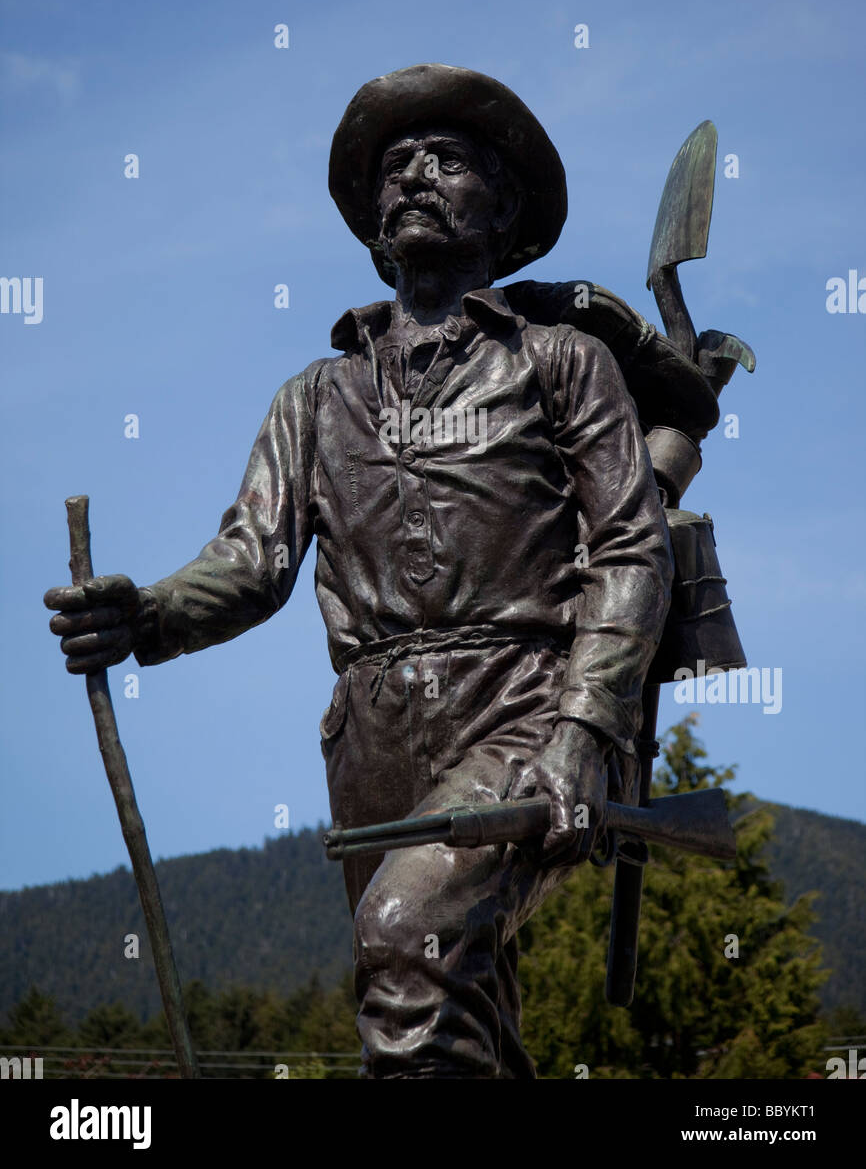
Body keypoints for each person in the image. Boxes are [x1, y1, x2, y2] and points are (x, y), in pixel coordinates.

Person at [46, 63, 673, 1078]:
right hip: (371, 745)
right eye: (396, 167)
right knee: (451, 997)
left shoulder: (560, 364)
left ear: (502, 207)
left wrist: (581, 735)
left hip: (525, 709)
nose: (417, 175)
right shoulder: (314, 397)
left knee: (404, 938)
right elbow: (251, 561)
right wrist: (148, 613)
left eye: (449, 160)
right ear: (372, 223)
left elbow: (630, 550)